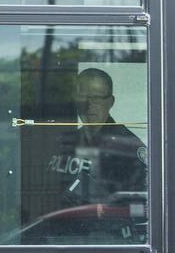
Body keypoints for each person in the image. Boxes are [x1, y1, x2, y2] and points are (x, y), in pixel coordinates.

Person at [39, 68, 148, 209]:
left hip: (105, 227)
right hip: (61, 225)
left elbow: (139, 205)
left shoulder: (128, 147)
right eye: (83, 97)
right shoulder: (66, 142)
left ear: (111, 102)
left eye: (97, 98)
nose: (89, 105)